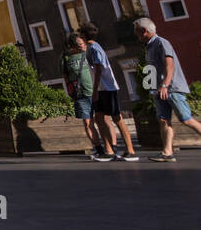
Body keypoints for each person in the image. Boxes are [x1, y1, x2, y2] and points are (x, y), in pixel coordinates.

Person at [136, 17, 201, 161]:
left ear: (144, 31)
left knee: (186, 119)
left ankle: (167, 152)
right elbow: (152, 69)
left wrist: (165, 85)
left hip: (171, 88)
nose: (136, 34)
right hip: (159, 90)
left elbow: (169, 66)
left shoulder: (161, 43)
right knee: (163, 120)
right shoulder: (149, 47)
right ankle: (167, 153)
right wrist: (152, 89)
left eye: (137, 31)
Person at [80, 24, 138, 161]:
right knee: (99, 119)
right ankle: (108, 150)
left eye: (81, 33)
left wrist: (94, 90)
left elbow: (99, 69)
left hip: (107, 88)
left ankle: (130, 150)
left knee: (117, 118)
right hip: (101, 89)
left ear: (84, 34)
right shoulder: (90, 48)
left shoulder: (94, 48)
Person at [62, 33, 106, 158]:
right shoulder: (65, 57)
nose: (83, 46)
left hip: (95, 91)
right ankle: (99, 149)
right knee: (88, 123)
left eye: (83, 44)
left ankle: (110, 147)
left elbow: (98, 68)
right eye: (80, 45)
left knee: (103, 120)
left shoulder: (88, 53)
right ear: (73, 46)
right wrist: (70, 91)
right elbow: (65, 76)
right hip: (80, 94)